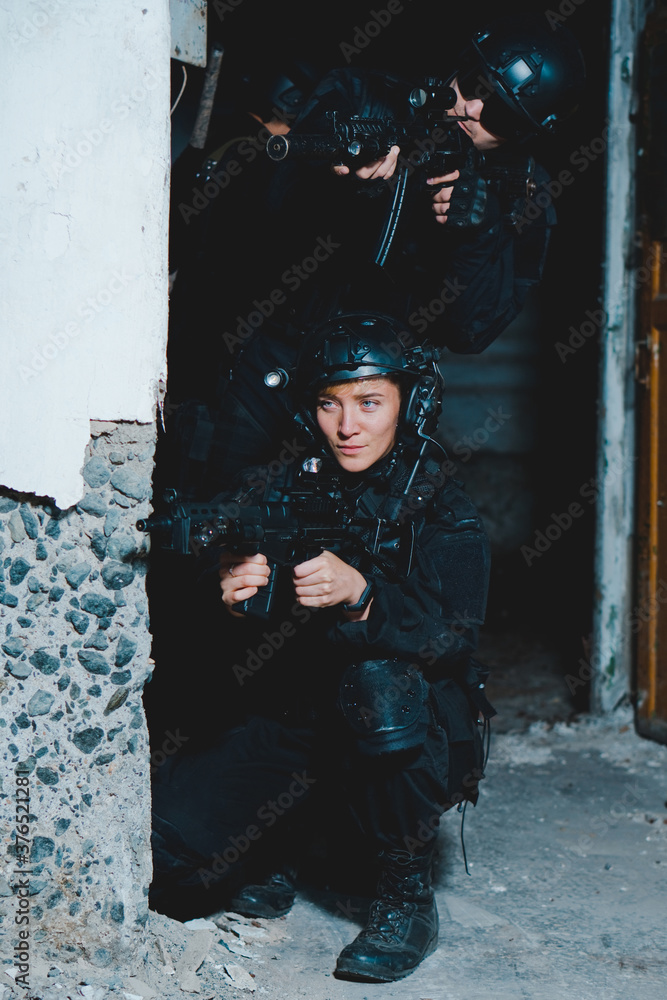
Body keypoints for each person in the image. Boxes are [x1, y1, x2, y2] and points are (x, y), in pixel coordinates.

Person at [149, 313, 494, 983]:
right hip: (298, 720)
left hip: (397, 728)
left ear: (408, 404)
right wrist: (229, 592)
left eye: (369, 402)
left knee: (379, 685)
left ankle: (404, 896)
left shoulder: (439, 508)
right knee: (168, 851)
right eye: (328, 403)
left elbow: (454, 638)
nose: (347, 425)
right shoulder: (286, 487)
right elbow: (220, 618)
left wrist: (364, 595)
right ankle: (281, 844)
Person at [176, 12, 586, 496]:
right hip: (274, 366)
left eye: (499, 115)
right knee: (225, 518)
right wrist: (343, 185)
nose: (473, 108)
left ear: (522, 134)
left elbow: (470, 331)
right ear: (460, 64)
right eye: (474, 84)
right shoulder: (362, 95)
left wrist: (479, 233)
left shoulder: (523, 193)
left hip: (380, 401)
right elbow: (263, 216)